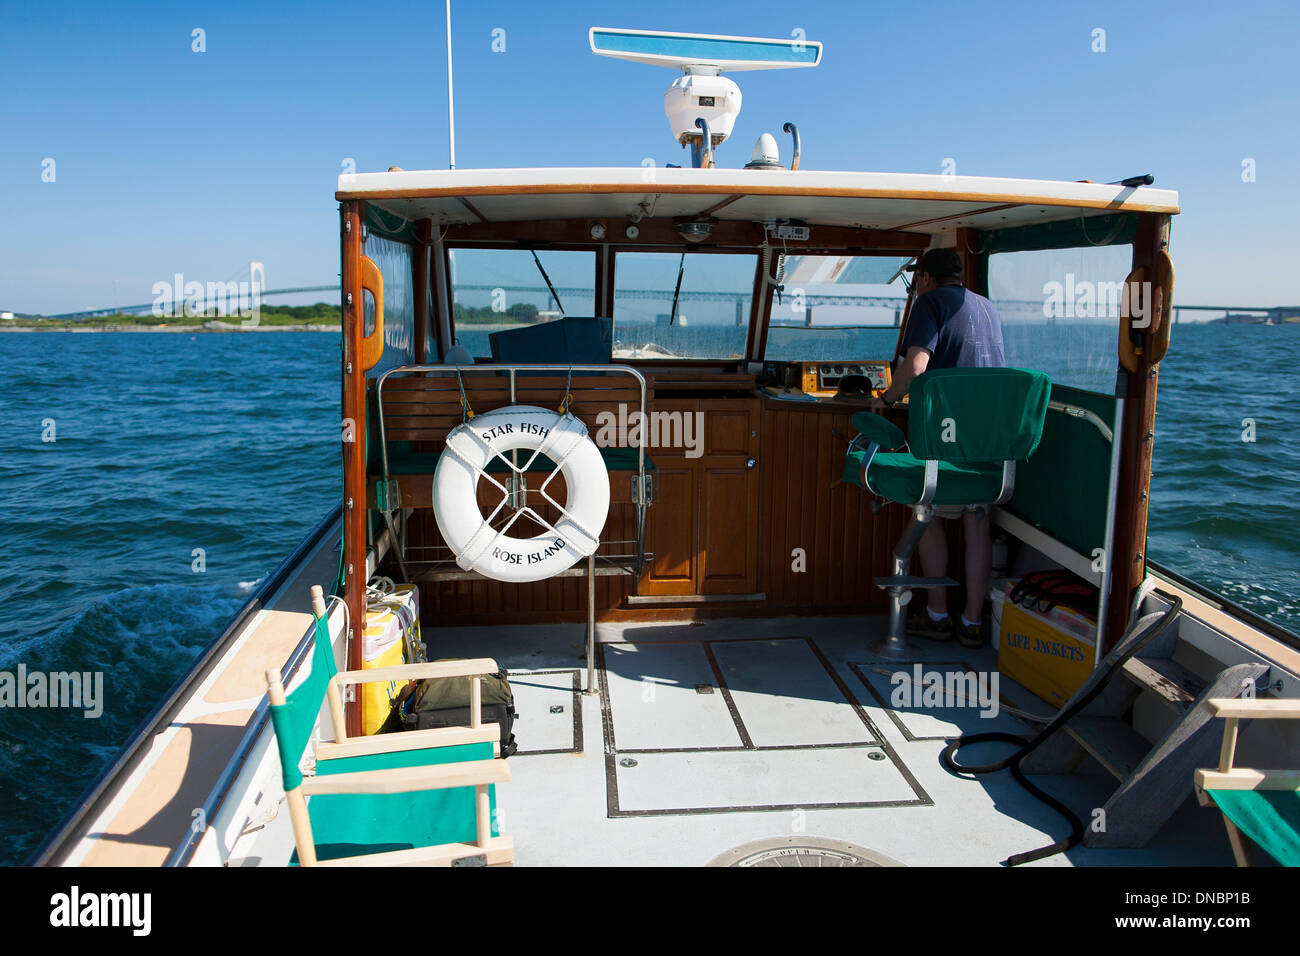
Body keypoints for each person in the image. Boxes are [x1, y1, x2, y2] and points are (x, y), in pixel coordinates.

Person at [870, 247, 1005, 648]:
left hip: (948, 436)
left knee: (927, 513)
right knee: (976, 518)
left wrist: (887, 400)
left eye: (917, 281)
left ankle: (938, 615)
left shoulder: (929, 303)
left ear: (926, 278)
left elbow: (914, 368)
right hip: (989, 438)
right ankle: (973, 623)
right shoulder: (987, 308)